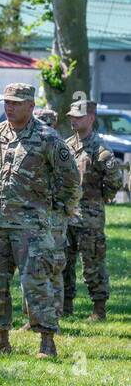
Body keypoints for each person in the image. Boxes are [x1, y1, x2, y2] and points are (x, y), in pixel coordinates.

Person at [0, 83, 80, 359]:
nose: (10, 107)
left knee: (37, 283)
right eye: (7, 102)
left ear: (31, 106)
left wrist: (58, 214)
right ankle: (0, 338)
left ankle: (46, 341)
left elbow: (71, 180)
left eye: (16, 103)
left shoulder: (47, 138)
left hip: (34, 227)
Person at [63, 98, 123, 321]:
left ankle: (98, 309)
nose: (73, 120)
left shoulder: (101, 151)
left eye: (78, 117)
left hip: (90, 217)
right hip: (68, 215)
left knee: (93, 262)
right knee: (64, 264)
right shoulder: (67, 146)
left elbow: (115, 181)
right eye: (71, 117)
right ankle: (65, 305)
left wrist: (100, 198)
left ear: (91, 118)